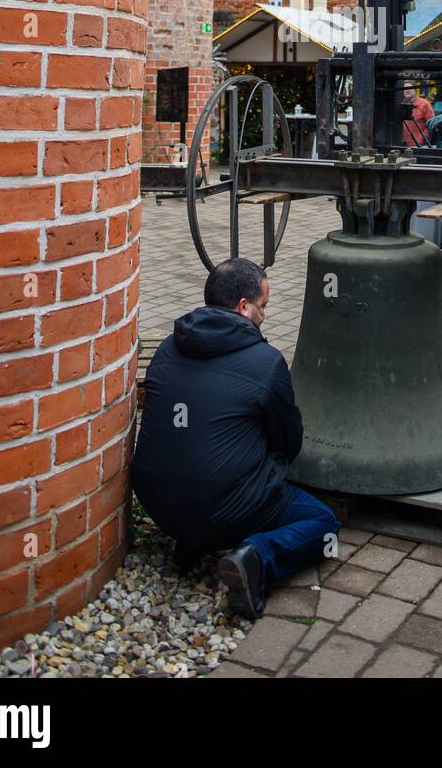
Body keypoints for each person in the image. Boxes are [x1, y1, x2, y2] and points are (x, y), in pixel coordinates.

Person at [131, 257, 339, 618]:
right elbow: (289, 441)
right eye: (263, 307)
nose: (265, 316)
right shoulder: (266, 362)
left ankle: (194, 541)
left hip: (157, 502)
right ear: (244, 307)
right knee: (323, 523)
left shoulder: (167, 347)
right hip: (221, 510)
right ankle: (256, 557)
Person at [402, 78, 434, 147]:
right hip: (401, 145)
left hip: (419, 147)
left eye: (410, 88)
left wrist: (421, 141)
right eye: (404, 89)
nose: (407, 90)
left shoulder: (425, 104)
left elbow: (431, 126)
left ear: (415, 90)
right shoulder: (399, 105)